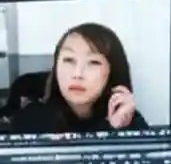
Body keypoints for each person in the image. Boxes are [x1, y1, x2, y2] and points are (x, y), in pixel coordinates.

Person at [10, 22, 148, 132]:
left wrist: (115, 130)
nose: (77, 74)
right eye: (69, 60)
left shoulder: (129, 121)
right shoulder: (29, 121)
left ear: (113, 71)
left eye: (93, 62)